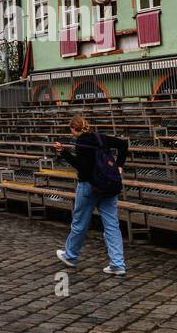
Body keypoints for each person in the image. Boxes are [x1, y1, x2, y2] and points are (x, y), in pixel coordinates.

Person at [54, 114, 129, 275]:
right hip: (108, 185)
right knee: (112, 224)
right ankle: (117, 264)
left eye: (71, 130)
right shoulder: (100, 138)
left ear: (74, 129)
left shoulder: (81, 143)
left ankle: (70, 255)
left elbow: (82, 167)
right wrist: (119, 166)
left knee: (80, 222)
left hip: (89, 186)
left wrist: (64, 153)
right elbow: (123, 144)